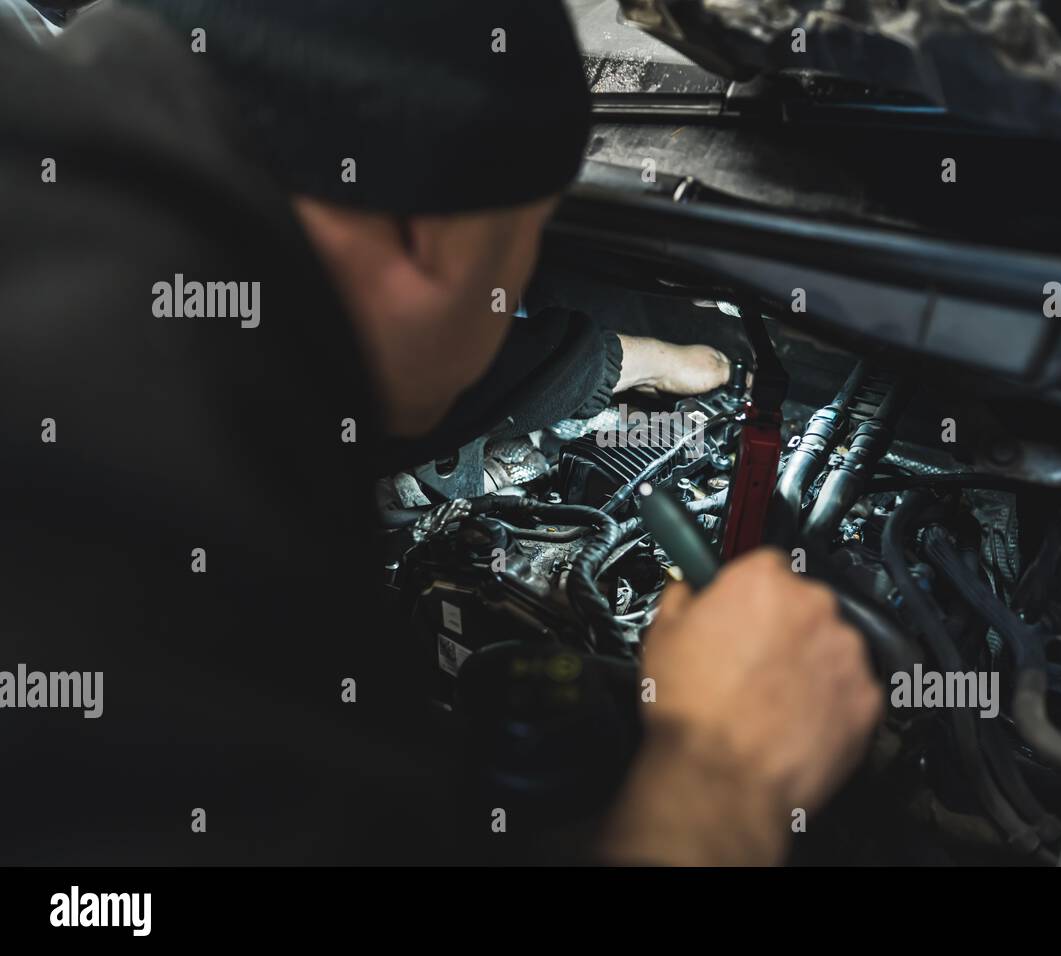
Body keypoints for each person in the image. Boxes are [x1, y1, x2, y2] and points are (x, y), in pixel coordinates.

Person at [0, 0, 881, 866]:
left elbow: (372, 328)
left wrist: (624, 358)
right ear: (425, 240)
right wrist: (721, 784)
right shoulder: (141, 527)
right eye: (526, 246)